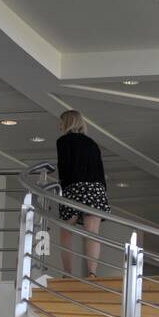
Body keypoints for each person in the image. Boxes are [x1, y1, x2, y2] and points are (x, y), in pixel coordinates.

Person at [56, 110, 110, 278]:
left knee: (66, 232)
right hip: (96, 189)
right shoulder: (92, 143)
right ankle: (92, 273)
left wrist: (62, 193)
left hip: (74, 187)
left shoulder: (63, 141)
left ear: (67, 123)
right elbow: (100, 170)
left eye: (61, 122)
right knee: (92, 233)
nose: (59, 126)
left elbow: (64, 168)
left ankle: (67, 273)